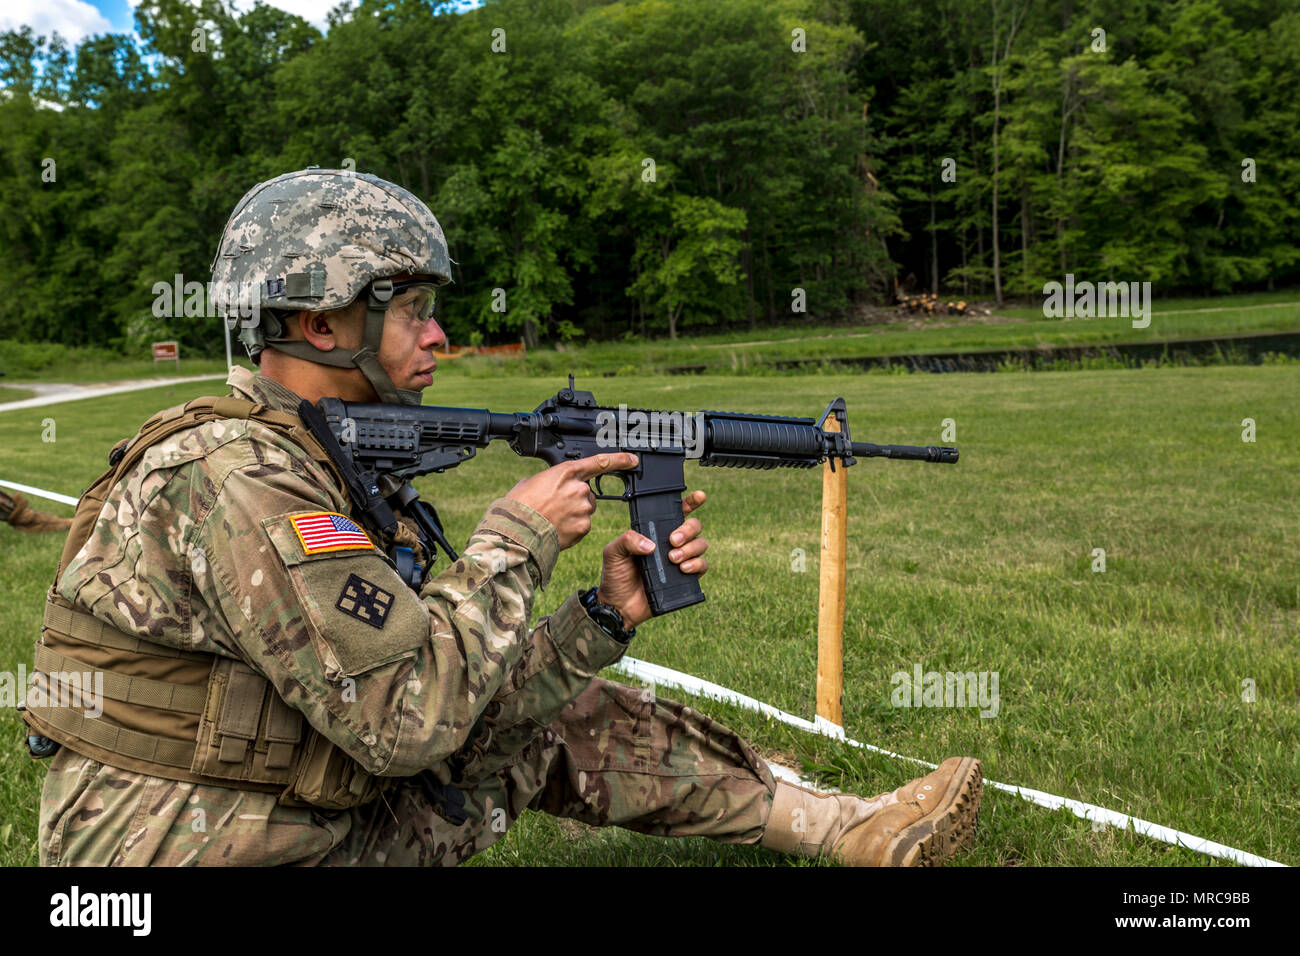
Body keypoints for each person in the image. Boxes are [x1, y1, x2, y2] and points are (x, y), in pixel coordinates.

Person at [24, 168, 982, 866]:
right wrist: (515, 537)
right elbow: (408, 721)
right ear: (323, 324)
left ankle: (850, 830)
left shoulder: (317, 454)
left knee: (574, 714)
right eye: (412, 310)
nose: (440, 334)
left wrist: (601, 618)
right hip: (172, 849)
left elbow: (446, 686)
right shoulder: (239, 476)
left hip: (262, 803)